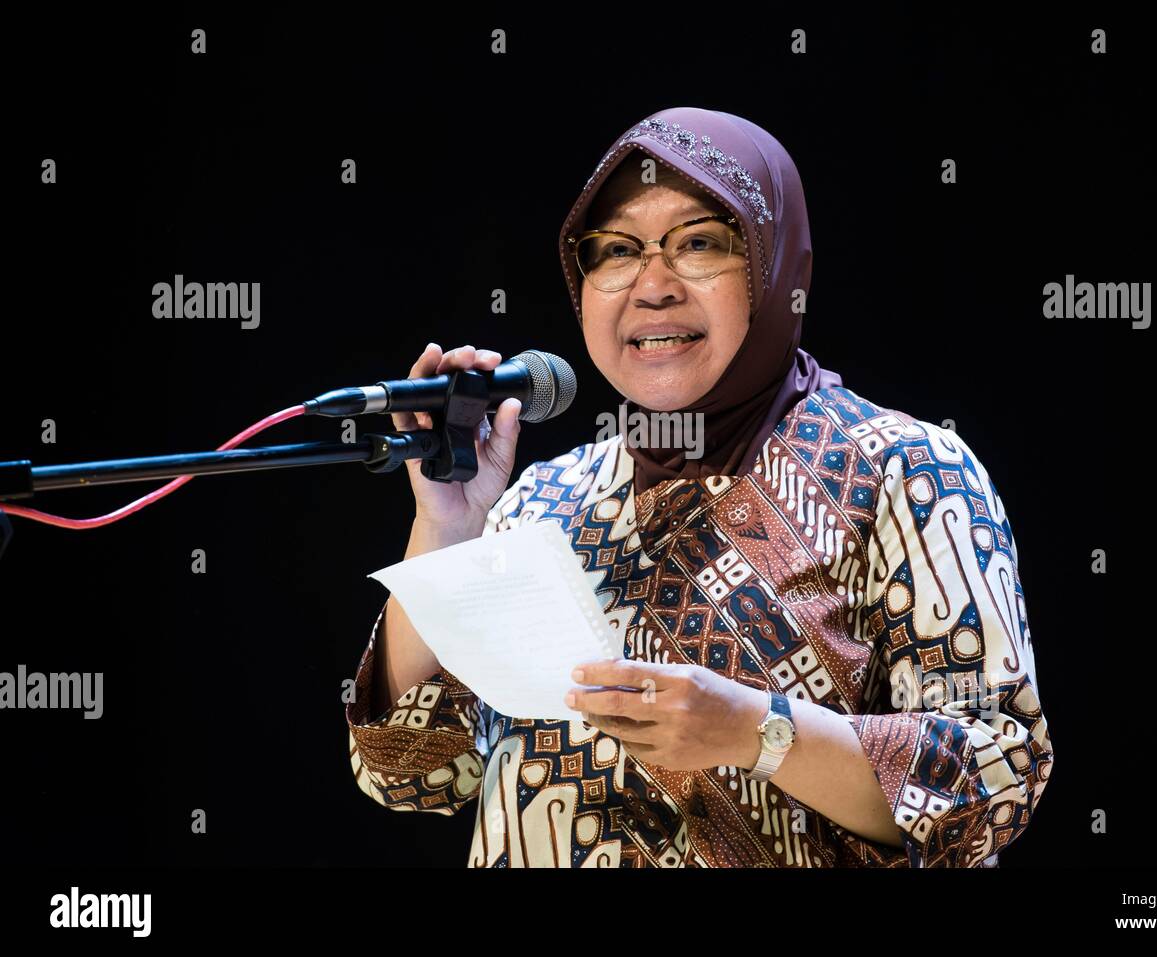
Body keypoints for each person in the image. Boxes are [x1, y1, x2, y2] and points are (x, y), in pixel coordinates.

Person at [344, 107, 1054, 868]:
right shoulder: (540, 502)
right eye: (616, 251)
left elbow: (996, 777)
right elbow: (409, 772)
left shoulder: (906, 469)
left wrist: (756, 732)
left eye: (700, 243)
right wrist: (445, 530)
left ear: (776, 267)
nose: (651, 287)